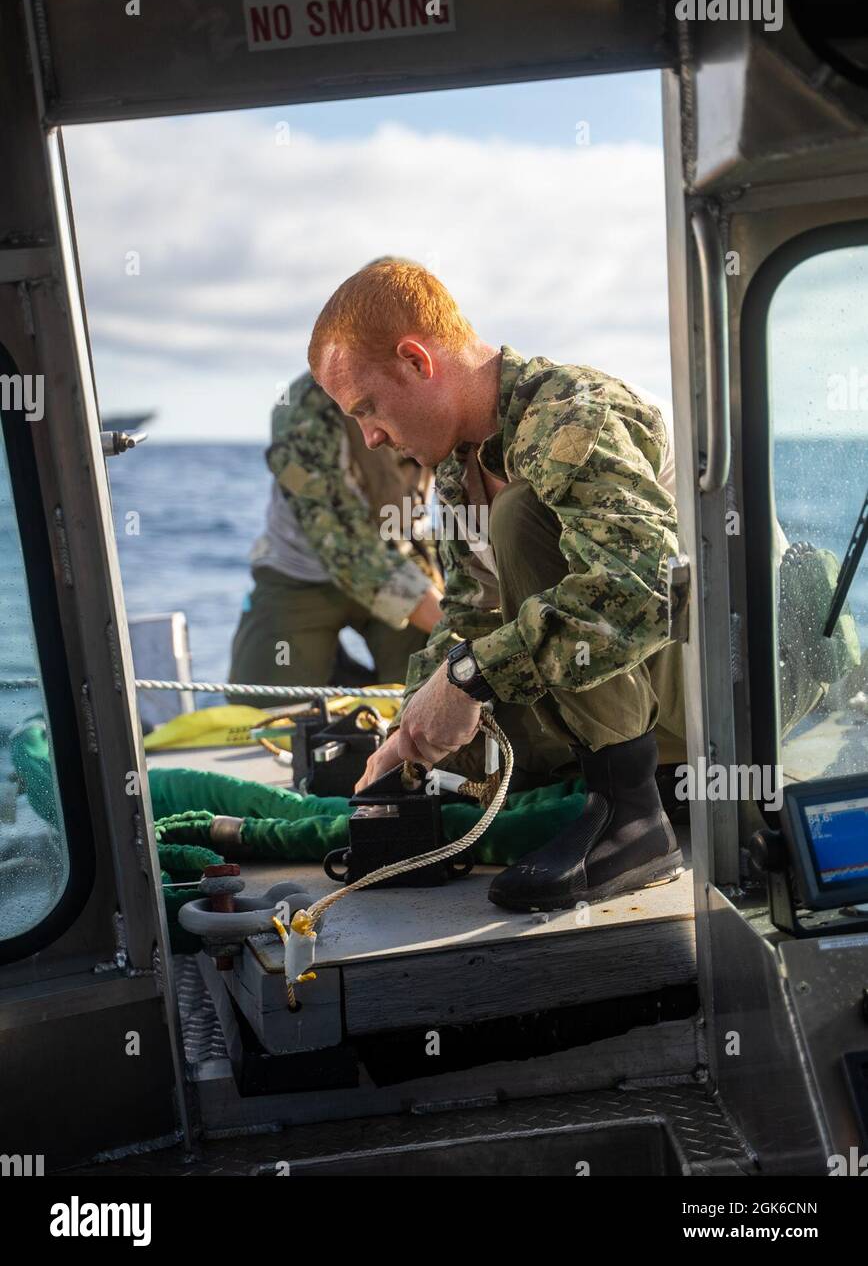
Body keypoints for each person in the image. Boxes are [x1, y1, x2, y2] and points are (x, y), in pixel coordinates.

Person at [308, 258, 688, 913]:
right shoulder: (458, 471)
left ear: (416, 361)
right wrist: (410, 734)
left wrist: (468, 680)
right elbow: (468, 619)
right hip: (634, 685)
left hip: (720, 692)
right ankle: (588, 783)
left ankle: (633, 820)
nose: (368, 436)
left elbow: (642, 593)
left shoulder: (569, 411)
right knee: (452, 766)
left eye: (367, 408)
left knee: (522, 515)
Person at [227, 363, 444, 707]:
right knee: (261, 712)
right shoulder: (303, 410)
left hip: (404, 558)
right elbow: (346, 551)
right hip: (301, 574)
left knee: (438, 689)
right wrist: (448, 623)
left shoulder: (434, 386)